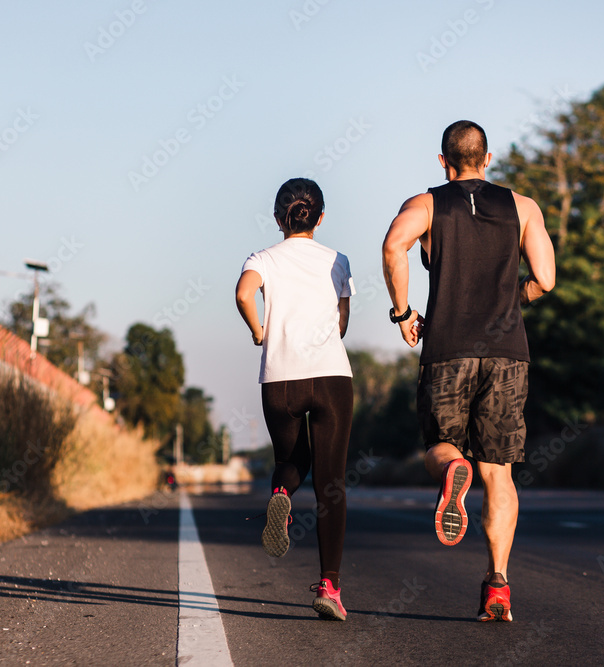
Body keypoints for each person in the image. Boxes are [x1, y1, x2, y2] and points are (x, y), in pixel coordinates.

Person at [381, 120, 555, 622]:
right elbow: (545, 278)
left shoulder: (426, 204)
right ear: (488, 157)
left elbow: (394, 246)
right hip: (507, 352)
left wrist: (402, 312)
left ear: (443, 161)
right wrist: (512, 300)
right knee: (498, 472)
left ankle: (452, 470)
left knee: (441, 447)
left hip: (447, 348)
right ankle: (497, 584)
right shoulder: (523, 207)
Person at [235, 178, 355, 621]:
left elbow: (244, 293)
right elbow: (342, 324)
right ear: (319, 218)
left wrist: (259, 330)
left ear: (277, 217)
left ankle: (282, 491)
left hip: (280, 378)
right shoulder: (337, 261)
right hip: (330, 378)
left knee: (290, 457)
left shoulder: (262, 258)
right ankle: (330, 587)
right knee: (331, 483)